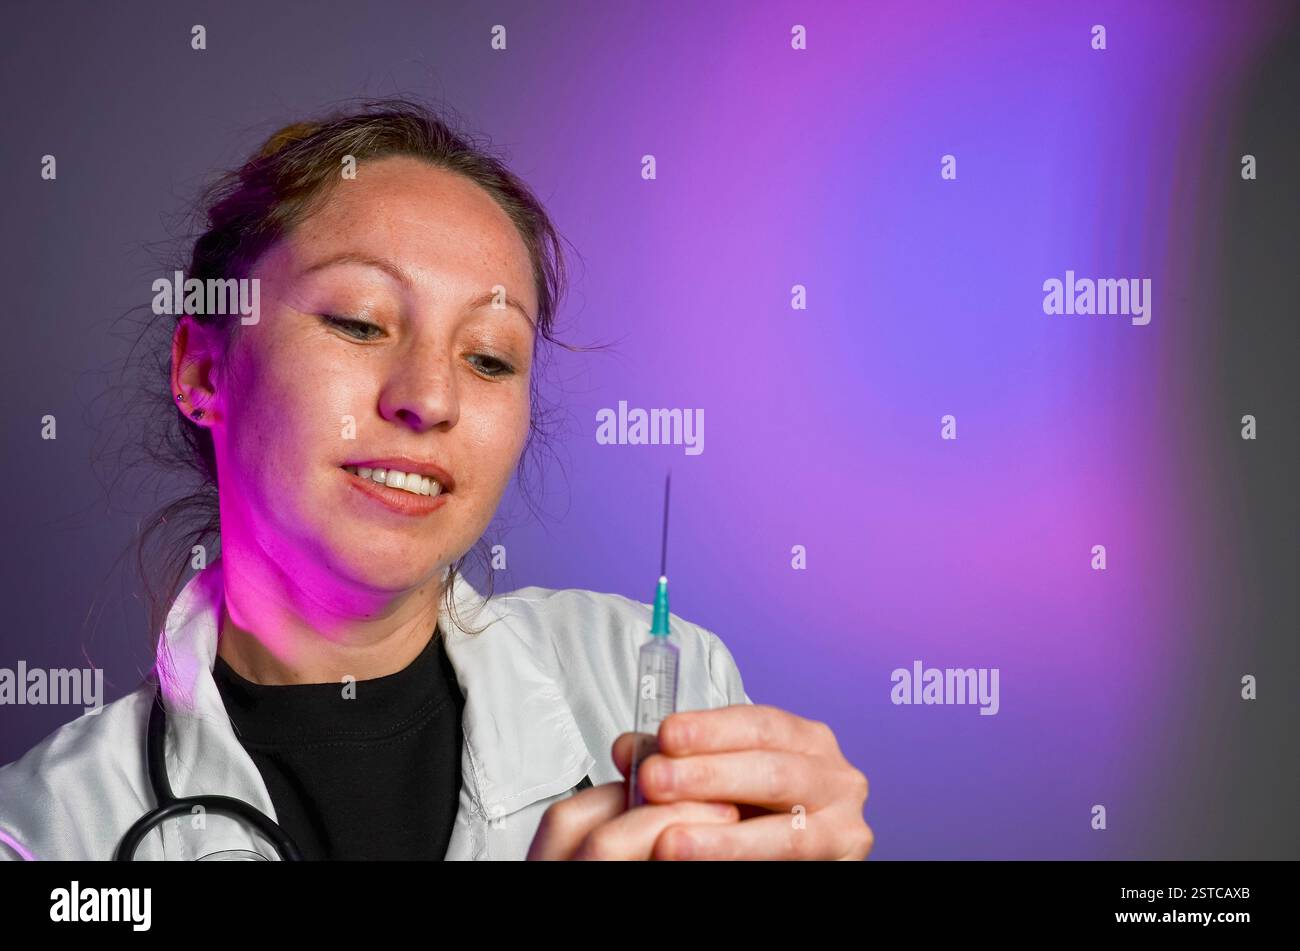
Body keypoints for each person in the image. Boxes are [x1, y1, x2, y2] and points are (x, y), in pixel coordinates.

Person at [0, 100, 872, 861]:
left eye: (490, 357)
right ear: (202, 368)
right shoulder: (48, 829)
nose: (429, 397)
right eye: (358, 321)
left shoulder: (663, 690)